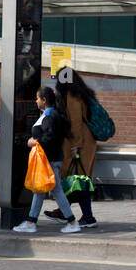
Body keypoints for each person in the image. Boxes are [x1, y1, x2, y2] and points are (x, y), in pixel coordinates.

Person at [11, 87, 80, 234]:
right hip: (51, 158)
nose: (36, 101)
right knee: (41, 191)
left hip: (48, 159)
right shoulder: (53, 114)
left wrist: (34, 142)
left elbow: (49, 137)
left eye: (37, 98)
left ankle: (72, 222)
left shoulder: (49, 116)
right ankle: (31, 222)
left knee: (54, 191)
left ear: (44, 100)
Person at [45, 70, 99, 227]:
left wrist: (75, 146)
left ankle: (86, 217)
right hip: (81, 142)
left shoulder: (72, 95)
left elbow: (75, 123)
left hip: (80, 144)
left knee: (79, 180)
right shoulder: (77, 92)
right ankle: (68, 212)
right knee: (77, 179)